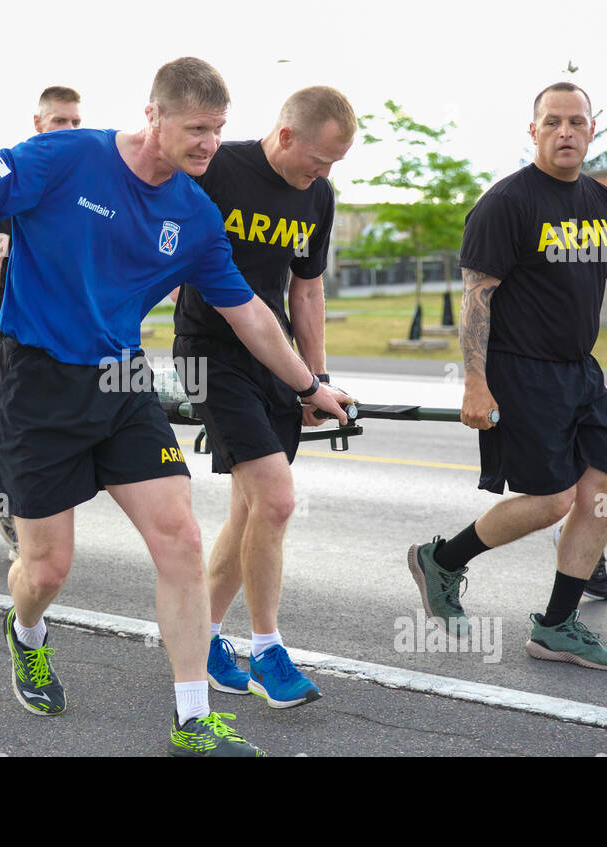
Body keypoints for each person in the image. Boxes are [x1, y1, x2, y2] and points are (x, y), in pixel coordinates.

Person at [0, 57, 348, 756]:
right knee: (47, 568)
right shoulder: (70, 155)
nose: (210, 144)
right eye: (198, 129)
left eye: (219, 131)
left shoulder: (197, 214)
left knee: (181, 538)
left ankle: (193, 719)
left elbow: (253, 316)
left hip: (119, 380)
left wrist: (309, 384)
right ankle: (26, 632)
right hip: (37, 381)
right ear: (155, 115)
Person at [407, 82, 607, 671]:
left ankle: (556, 626)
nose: (565, 131)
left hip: (581, 373)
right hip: (518, 370)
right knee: (550, 500)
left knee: (599, 492)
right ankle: (442, 559)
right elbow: (477, 297)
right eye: (552, 122)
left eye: (576, 121)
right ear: (534, 132)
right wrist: (474, 381)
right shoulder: (507, 202)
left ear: (592, 130)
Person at [173, 86, 354, 708]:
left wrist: (316, 377)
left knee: (251, 511)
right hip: (207, 353)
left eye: (334, 164)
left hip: (274, 356)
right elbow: (158, 253)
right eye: (319, 160)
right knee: (276, 501)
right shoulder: (218, 168)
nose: (324, 174)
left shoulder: (318, 197)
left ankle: (204, 638)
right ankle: (267, 651)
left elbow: (305, 292)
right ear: (284, 136)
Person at [0, 86, 82, 560]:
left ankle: (45, 513)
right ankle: (8, 509)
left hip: (69, 330)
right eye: (60, 121)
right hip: (17, 325)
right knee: (8, 420)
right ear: (38, 123)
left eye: (77, 122)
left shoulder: (84, 179)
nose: (70, 130)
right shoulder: (17, 176)